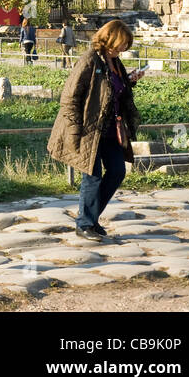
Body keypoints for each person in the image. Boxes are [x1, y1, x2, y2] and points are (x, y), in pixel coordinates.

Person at [47, 20, 145, 242]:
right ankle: (85, 223)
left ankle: (89, 218)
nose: (123, 49)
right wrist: (74, 128)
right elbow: (70, 96)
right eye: (122, 43)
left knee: (118, 171)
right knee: (92, 177)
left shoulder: (115, 62)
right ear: (110, 38)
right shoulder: (90, 59)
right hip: (89, 129)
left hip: (112, 129)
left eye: (126, 45)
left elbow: (112, 90)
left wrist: (129, 80)